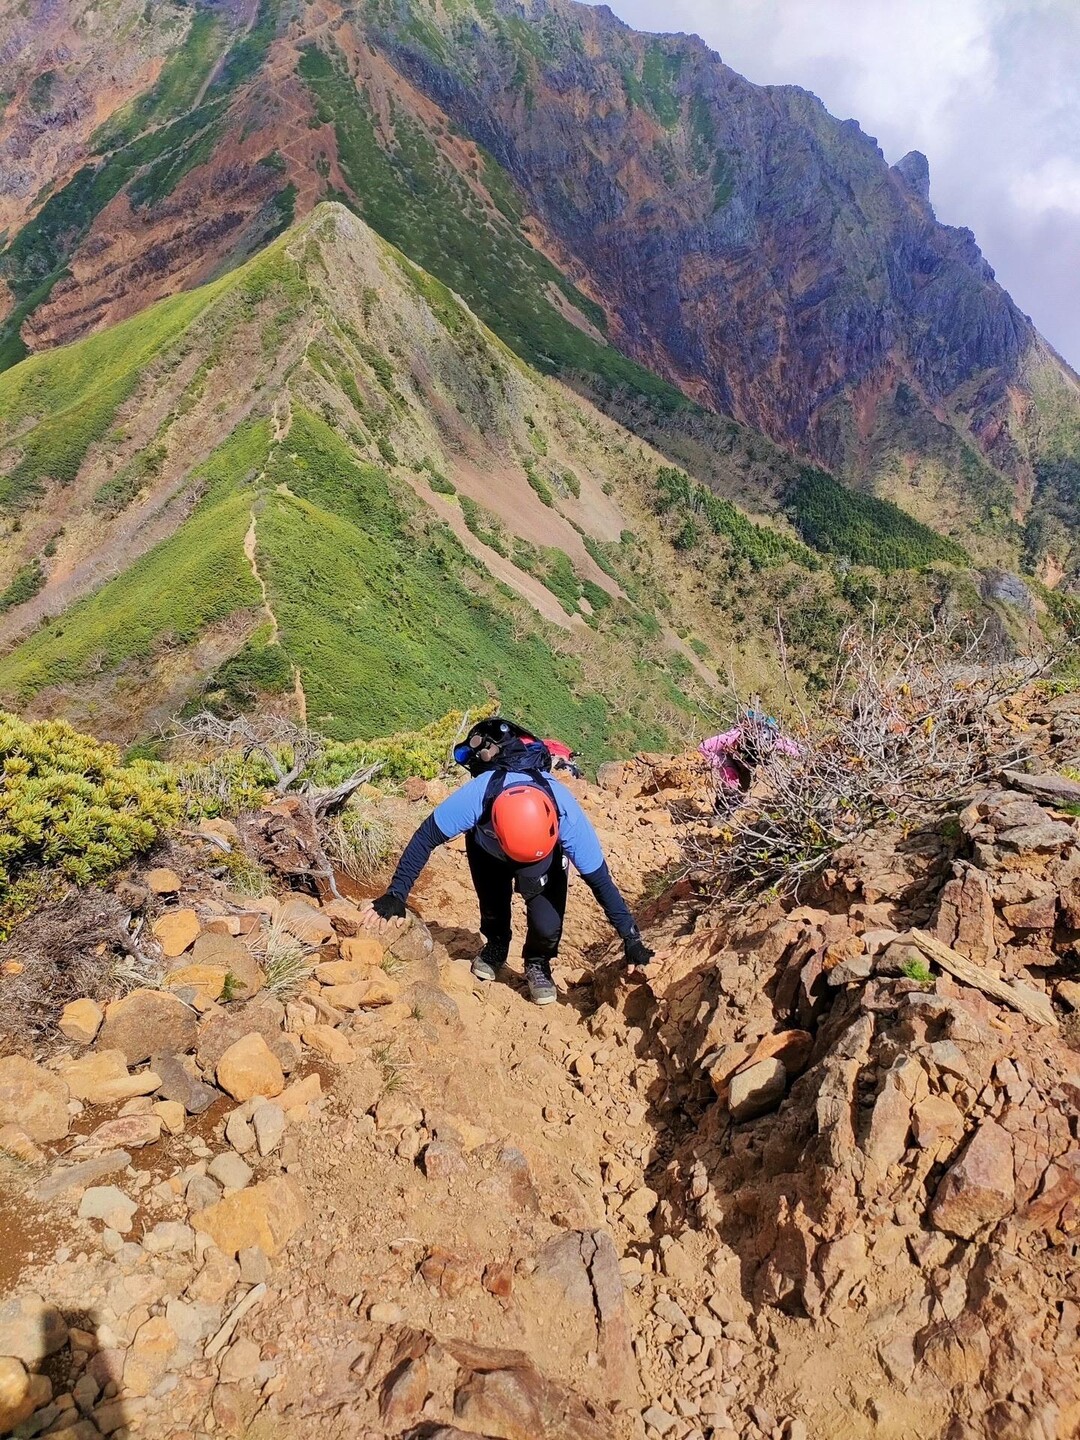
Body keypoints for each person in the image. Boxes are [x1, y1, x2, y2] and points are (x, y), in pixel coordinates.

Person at [362, 717, 653, 1004]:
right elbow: (426, 836)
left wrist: (632, 939)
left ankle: (538, 962)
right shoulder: (481, 792)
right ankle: (497, 943)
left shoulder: (566, 811)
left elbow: (600, 882)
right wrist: (396, 894)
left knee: (547, 925)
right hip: (488, 850)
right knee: (493, 906)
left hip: (542, 860)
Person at [699, 710, 799, 797]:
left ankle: (730, 810)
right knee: (731, 782)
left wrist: (802, 756)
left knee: (744, 788)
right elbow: (704, 746)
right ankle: (719, 813)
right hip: (729, 756)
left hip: (747, 763)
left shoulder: (773, 739)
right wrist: (718, 762)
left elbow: (792, 748)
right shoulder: (735, 735)